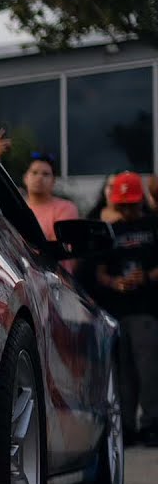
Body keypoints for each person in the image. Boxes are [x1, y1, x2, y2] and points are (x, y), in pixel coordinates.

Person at [88, 171, 158, 447]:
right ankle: (126, 426)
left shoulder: (153, 225)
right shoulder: (110, 231)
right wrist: (115, 282)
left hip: (146, 310)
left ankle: (152, 424)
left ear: (141, 200)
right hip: (116, 311)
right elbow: (98, 271)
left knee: (149, 370)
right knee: (122, 373)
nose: (128, 209)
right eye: (123, 204)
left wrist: (147, 277)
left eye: (132, 203)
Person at [21, 153, 78, 241]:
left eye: (45, 174)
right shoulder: (17, 207)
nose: (39, 178)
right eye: (34, 172)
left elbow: (60, 246)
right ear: (25, 178)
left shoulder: (66, 208)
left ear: (53, 181)